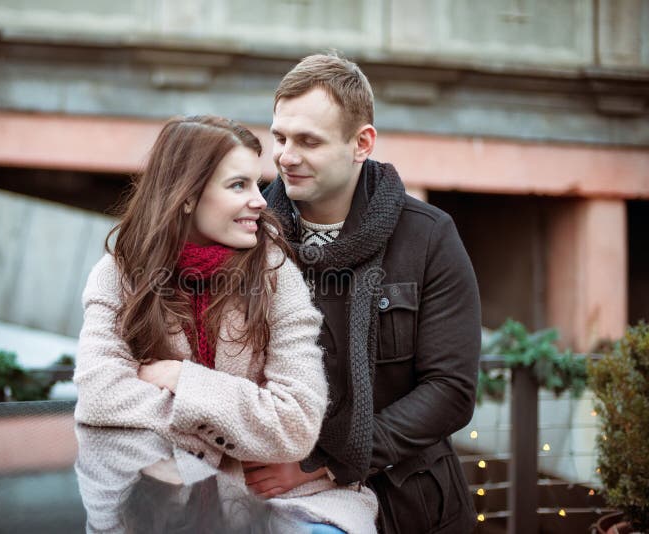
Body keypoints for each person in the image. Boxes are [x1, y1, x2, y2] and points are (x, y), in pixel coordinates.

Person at [73, 115, 378, 533]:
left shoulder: (276, 273)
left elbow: (296, 424)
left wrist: (182, 379)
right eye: (238, 185)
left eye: (257, 183)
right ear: (186, 196)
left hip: (280, 502)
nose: (260, 201)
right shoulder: (119, 274)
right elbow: (99, 396)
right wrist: (239, 423)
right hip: (156, 502)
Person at [245, 54, 481, 533]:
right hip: (270, 499)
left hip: (407, 503)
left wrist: (323, 462)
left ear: (362, 143)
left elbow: (450, 391)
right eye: (280, 138)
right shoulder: (249, 235)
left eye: (309, 141)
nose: (286, 156)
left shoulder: (429, 236)